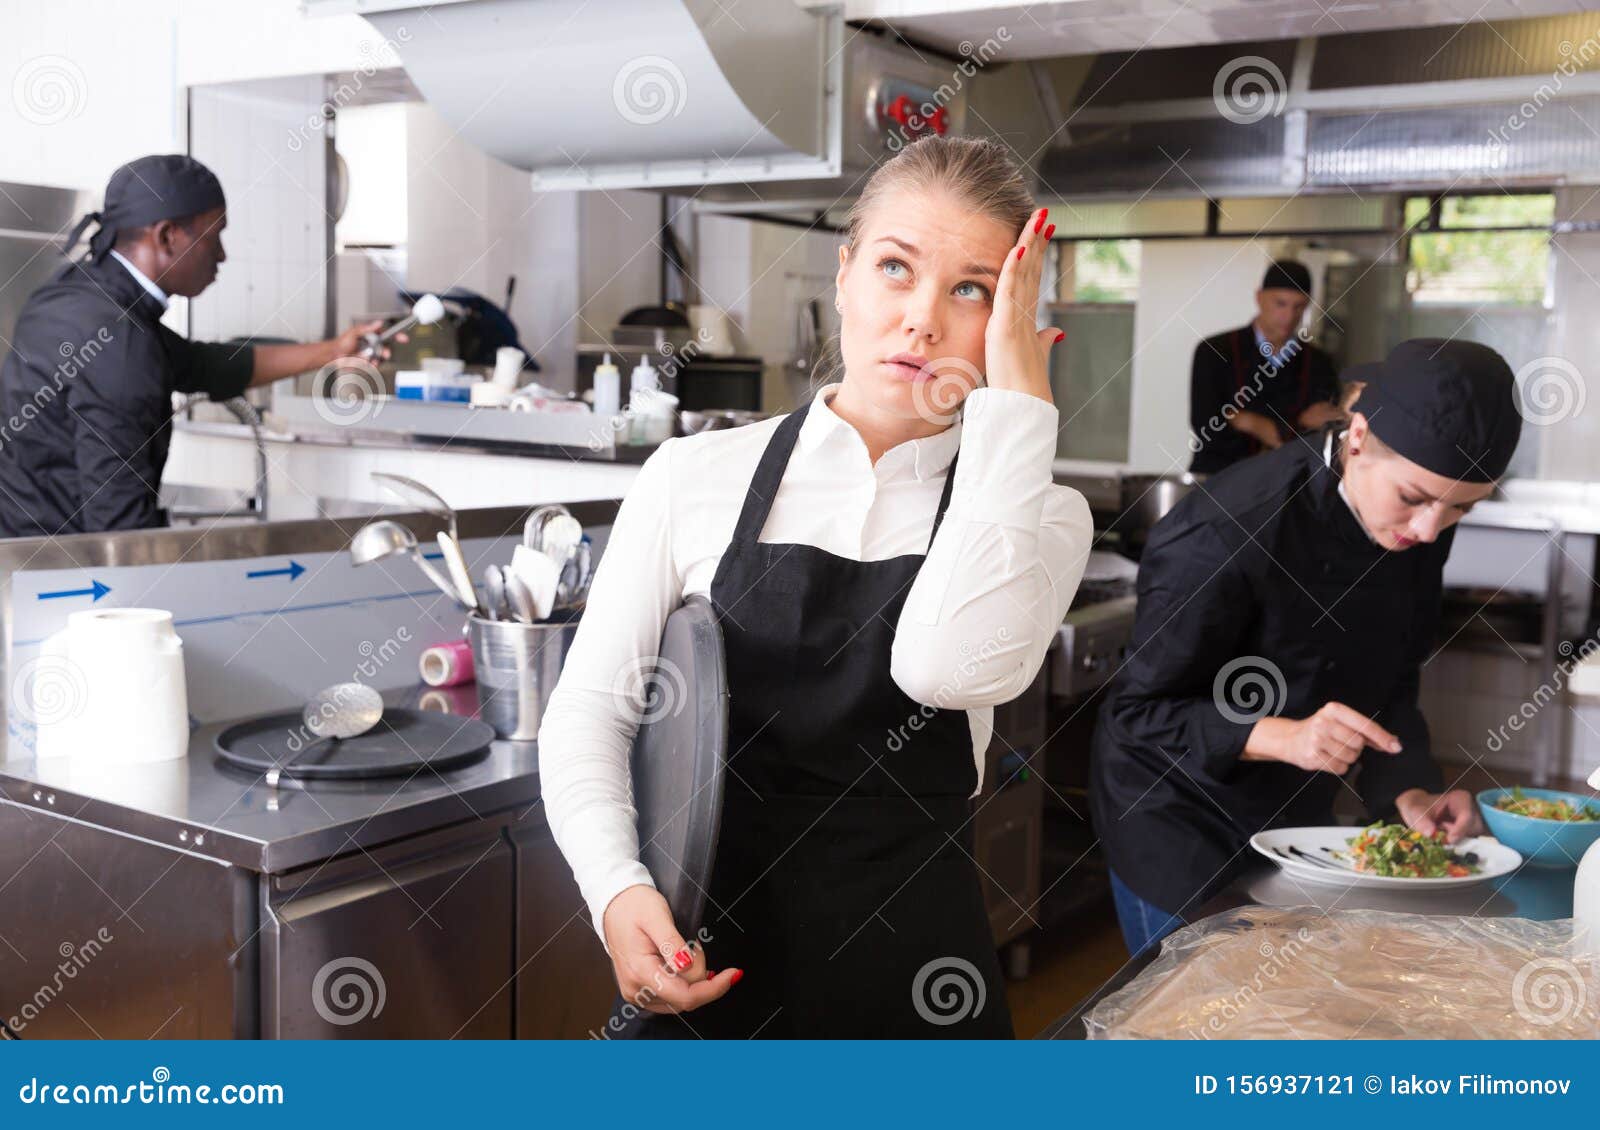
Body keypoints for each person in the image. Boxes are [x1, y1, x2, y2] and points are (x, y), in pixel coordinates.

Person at [537, 136, 1093, 1038]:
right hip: (708, 955)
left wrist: (1019, 414)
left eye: (972, 290)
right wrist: (616, 891)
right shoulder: (692, 475)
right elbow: (589, 713)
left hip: (919, 974)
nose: (921, 321)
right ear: (844, 276)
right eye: (894, 268)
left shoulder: (1040, 513)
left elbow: (946, 673)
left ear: (1013, 321)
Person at [1091, 338, 1524, 958]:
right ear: (1358, 437)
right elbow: (1137, 716)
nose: (1429, 530)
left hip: (1293, 822)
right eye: (1414, 498)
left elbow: (1393, 674)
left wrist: (1409, 794)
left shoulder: (1419, 525)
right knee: (1187, 1025)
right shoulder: (1223, 531)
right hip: (1178, 817)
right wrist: (1284, 736)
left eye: (1460, 510)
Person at [0, 154, 386, 537]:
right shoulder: (123, 342)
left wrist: (335, 351)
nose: (221, 254)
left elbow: (206, 365)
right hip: (63, 574)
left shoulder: (69, 296)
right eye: (214, 236)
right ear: (168, 236)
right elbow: (118, 525)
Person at [1188, 259, 1345, 475]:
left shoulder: (1319, 363)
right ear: (1259, 298)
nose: (1289, 316)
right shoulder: (1215, 352)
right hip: (1218, 480)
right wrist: (1297, 424)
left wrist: (1250, 421)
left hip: (1288, 486)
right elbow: (1207, 428)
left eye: (1298, 306)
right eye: (1280, 303)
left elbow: (1323, 435)